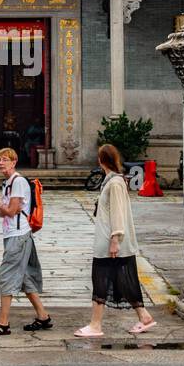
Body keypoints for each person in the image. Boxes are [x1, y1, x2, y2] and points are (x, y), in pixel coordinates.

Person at [74, 143, 157, 337]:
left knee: (101, 280)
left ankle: (95, 325)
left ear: (102, 160)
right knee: (124, 281)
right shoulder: (110, 181)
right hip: (110, 241)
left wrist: (115, 238)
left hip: (111, 243)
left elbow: (118, 213)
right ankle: (144, 317)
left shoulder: (115, 183)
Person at [0, 147, 51, 336]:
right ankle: (43, 316)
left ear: (14, 162)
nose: (1, 163)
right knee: (25, 277)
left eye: (5, 159)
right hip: (14, 234)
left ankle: (3, 323)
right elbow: (4, 210)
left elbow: (9, 211)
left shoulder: (18, 182)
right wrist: (5, 208)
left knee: (6, 276)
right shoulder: (7, 183)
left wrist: (4, 207)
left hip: (18, 235)